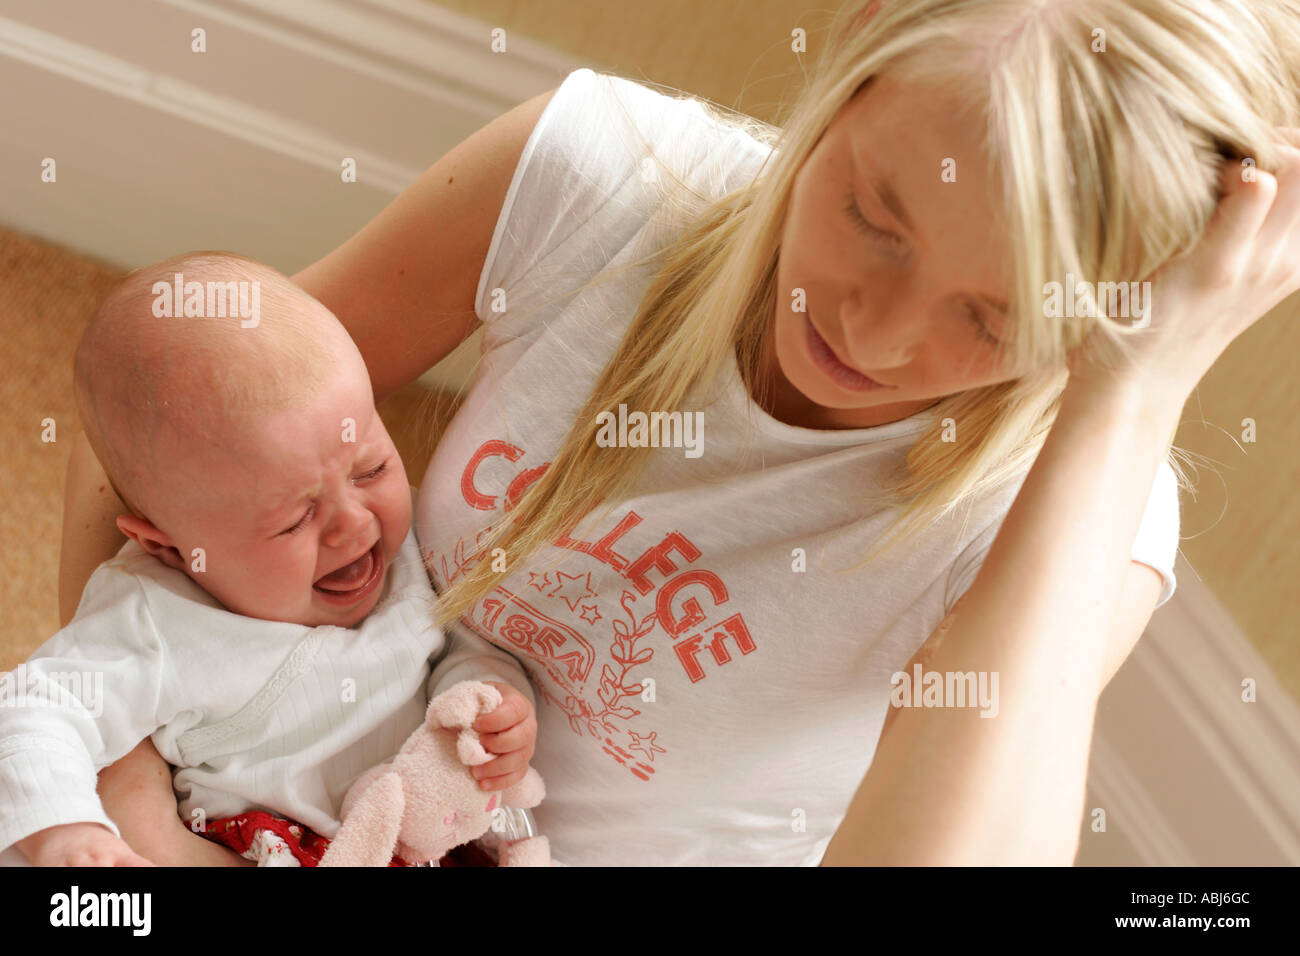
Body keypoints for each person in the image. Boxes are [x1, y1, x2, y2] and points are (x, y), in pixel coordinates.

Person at [63, 0, 1300, 865]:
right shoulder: (602, 177)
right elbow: (156, 432)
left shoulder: (1079, 516)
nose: (872, 333)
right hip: (282, 807)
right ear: (857, 46)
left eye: (993, 316)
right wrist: (131, 798)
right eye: (874, 215)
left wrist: (1128, 400)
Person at [2, 252, 535, 866]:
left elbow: (465, 645)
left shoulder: (415, 545)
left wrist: (490, 701)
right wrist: (67, 833)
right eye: (294, 519)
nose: (354, 523)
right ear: (169, 546)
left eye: (371, 469)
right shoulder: (155, 615)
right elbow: (34, 710)